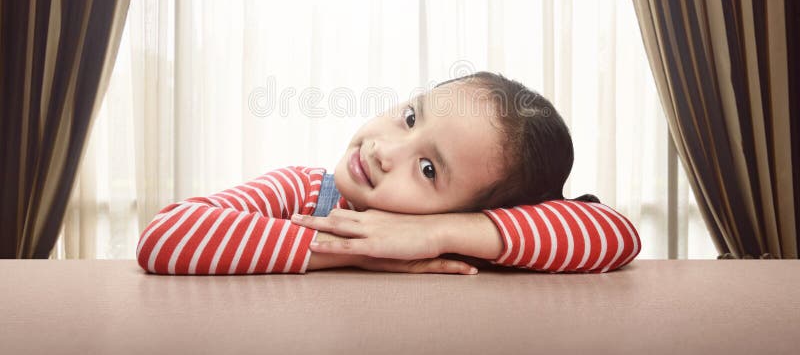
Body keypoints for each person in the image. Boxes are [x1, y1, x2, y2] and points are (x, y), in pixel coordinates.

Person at [136, 72, 640, 275]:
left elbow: (617, 234)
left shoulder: (465, 243)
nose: (384, 151)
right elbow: (164, 238)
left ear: (477, 211)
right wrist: (357, 255)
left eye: (427, 169)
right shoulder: (307, 190)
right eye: (411, 118)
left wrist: (434, 234)